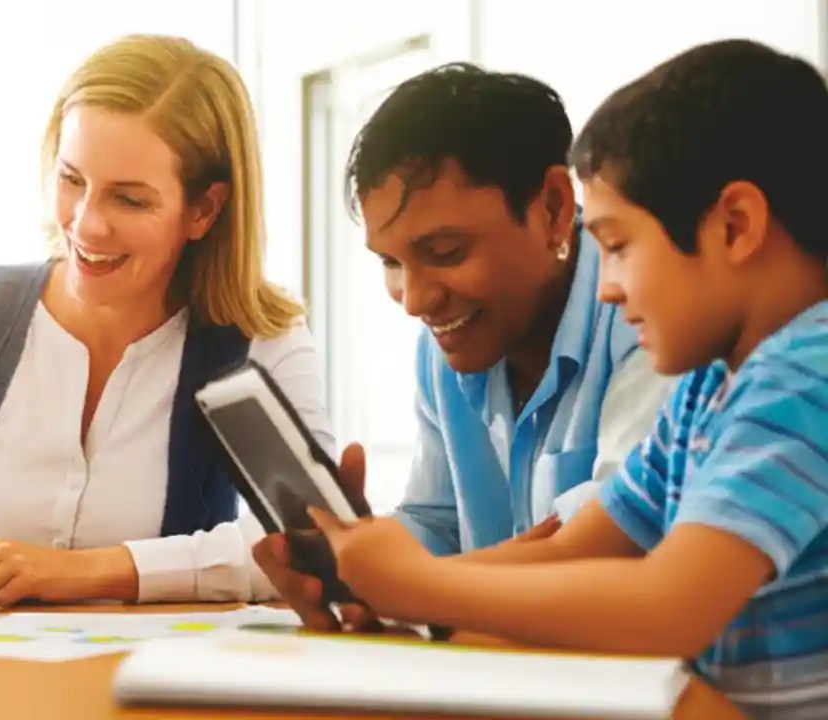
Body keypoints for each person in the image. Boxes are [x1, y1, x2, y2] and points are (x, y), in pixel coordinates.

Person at [308, 39, 828, 715]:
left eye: (617, 246)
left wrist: (421, 590)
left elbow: (670, 606)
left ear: (734, 227)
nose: (605, 287)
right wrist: (379, 584)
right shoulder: (709, 390)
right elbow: (585, 547)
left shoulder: (804, 377)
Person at [0, 34, 333, 612]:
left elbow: (312, 542)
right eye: (72, 180)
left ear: (204, 210)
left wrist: (96, 571)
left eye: (129, 201)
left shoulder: (258, 339)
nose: (86, 225)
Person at [254, 63, 672, 630]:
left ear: (551, 208)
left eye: (446, 251)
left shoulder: (650, 318)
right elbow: (438, 525)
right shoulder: (449, 344)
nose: (414, 299)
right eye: (390, 262)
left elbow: (614, 539)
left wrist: (408, 587)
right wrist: (354, 558)